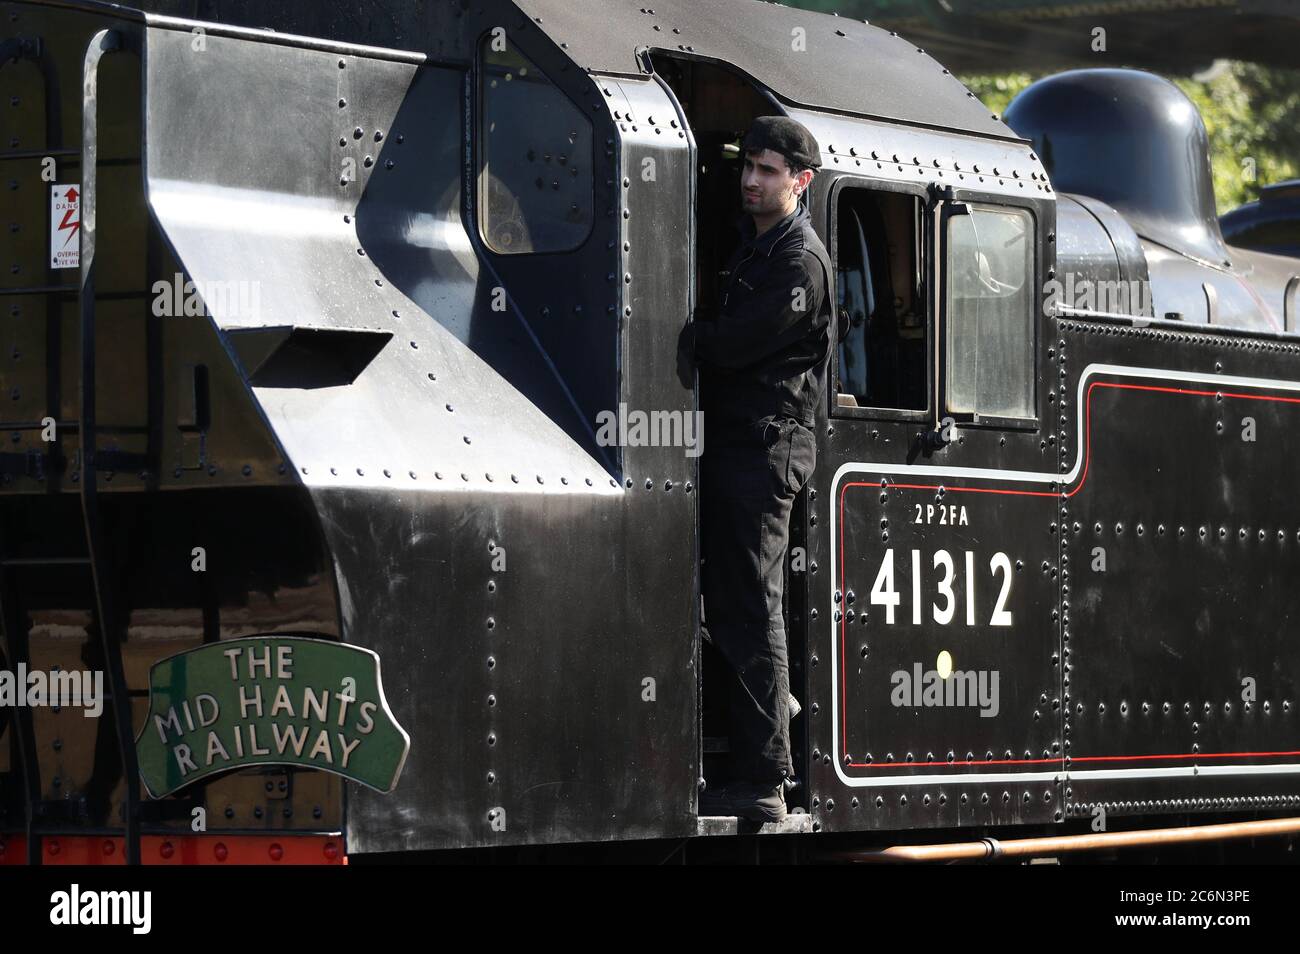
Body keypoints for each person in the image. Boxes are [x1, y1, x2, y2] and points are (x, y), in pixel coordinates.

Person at [681, 116, 839, 823]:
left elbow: (738, 345)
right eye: (748, 166)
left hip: (766, 448)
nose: (750, 179)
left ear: (801, 181)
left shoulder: (797, 261)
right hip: (739, 443)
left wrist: (687, 335)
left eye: (768, 170)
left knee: (751, 605)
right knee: (736, 602)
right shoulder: (759, 246)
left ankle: (765, 778)